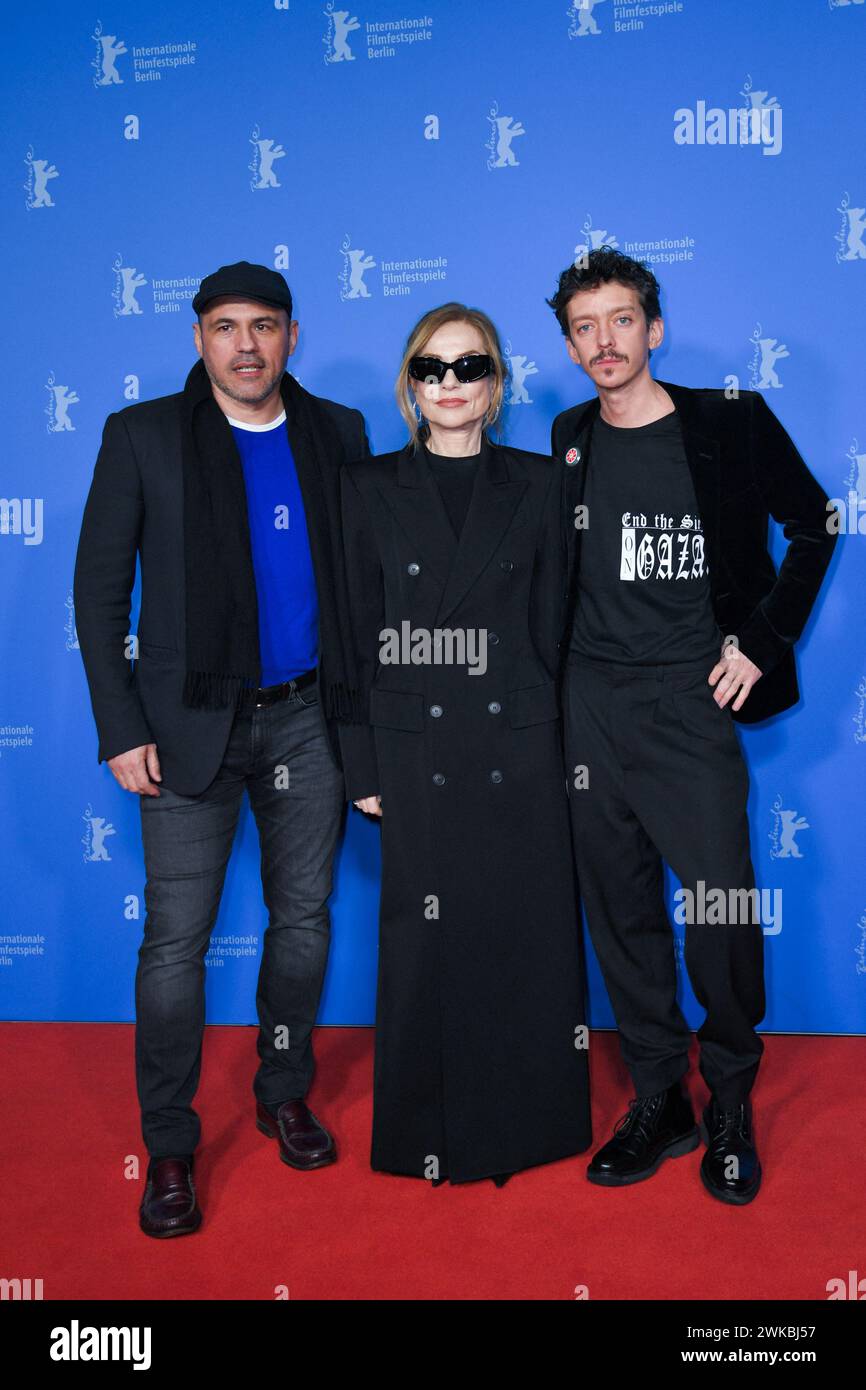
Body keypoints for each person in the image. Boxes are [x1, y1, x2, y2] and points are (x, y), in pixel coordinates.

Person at [73, 261, 368, 1236]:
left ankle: (283, 1087)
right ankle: (168, 1146)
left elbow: (363, 596)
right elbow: (98, 592)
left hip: (305, 716)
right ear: (199, 338)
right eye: (225, 327)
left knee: (302, 922)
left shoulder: (337, 433)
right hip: (185, 722)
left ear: (293, 336)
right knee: (174, 947)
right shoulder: (143, 435)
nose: (246, 345)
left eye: (265, 326)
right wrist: (122, 727)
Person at [546, 247, 838, 1204]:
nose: (604, 342)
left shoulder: (729, 423)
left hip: (691, 700)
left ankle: (731, 1101)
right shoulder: (567, 438)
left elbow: (815, 522)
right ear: (571, 342)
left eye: (621, 320)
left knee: (718, 908)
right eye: (585, 326)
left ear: (654, 328)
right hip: (591, 704)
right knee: (622, 912)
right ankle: (660, 1096)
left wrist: (760, 637)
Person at [338, 302, 592, 1187]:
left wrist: (565, 746)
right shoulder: (366, 488)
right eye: (431, 369)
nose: (451, 384)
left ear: (496, 385)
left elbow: (558, 626)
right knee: (425, 945)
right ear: (410, 387)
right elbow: (351, 633)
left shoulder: (541, 483)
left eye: (469, 367)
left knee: (525, 938)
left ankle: (530, 1126)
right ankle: (424, 1132)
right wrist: (362, 761)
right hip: (415, 751)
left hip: (519, 746)